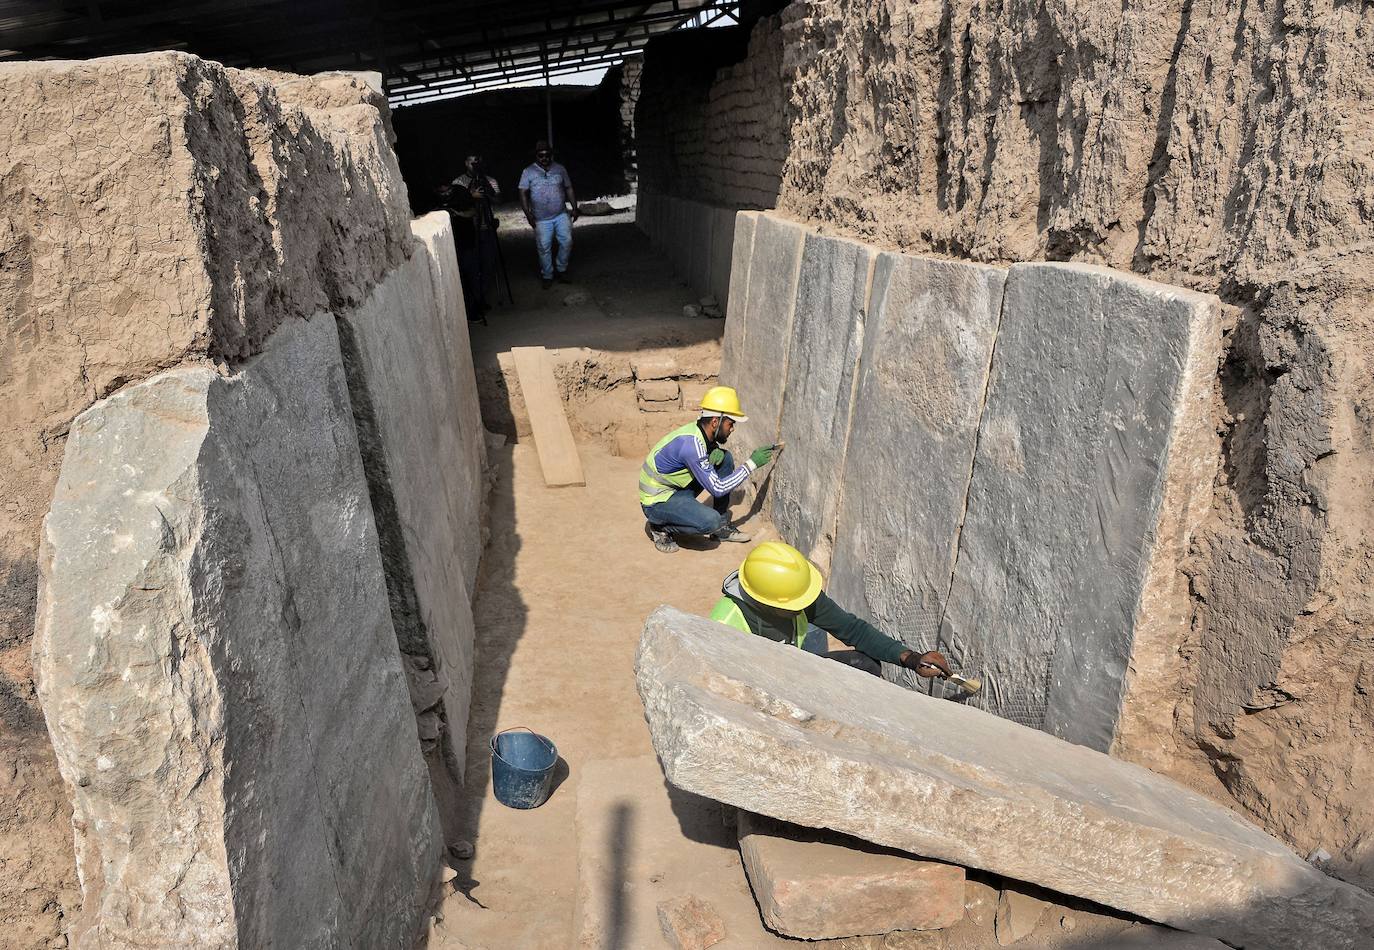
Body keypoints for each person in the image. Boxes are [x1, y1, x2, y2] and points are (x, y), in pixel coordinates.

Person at [711, 541, 953, 679]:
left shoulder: (796, 593)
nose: (804, 606)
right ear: (765, 604)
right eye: (794, 605)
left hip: (790, 668)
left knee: (865, 665)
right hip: (759, 682)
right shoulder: (724, 624)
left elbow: (852, 629)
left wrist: (911, 658)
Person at [639, 386, 778, 554]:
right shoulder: (692, 445)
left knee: (724, 458)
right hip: (656, 502)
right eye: (730, 424)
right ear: (715, 422)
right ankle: (660, 527)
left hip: (675, 490)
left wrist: (712, 450)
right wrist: (752, 464)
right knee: (711, 522)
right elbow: (718, 489)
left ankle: (721, 528)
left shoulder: (701, 432)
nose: (732, 429)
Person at [518, 141, 578, 289]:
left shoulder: (560, 169)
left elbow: (569, 188)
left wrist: (575, 208)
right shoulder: (528, 172)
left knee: (567, 241)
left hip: (560, 214)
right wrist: (528, 214)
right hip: (541, 218)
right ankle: (547, 275)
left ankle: (562, 270)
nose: (544, 158)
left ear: (551, 155)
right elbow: (522, 193)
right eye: (541, 155)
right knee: (544, 247)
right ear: (536, 156)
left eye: (547, 155)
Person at [452, 155, 502, 319]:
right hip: (468, 231)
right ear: (465, 163)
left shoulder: (490, 180)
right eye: (471, 161)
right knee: (471, 268)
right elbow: (455, 204)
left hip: (486, 228)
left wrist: (488, 193)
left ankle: (480, 298)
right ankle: (473, 305)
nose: (474, 165)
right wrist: (470, 196)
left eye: (477, 161)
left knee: (488, 265)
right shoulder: (458, 183)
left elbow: (498, 200)